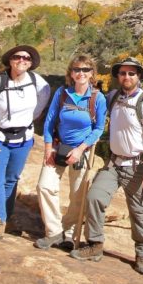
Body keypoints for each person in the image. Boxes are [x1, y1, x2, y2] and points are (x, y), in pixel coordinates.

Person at [71, 57, 143, 275]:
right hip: (114, 163)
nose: (127, 77)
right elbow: (96, 114)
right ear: (118, 76)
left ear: (139, 76)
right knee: (94, 197)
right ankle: (95, 244)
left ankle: (142, 254)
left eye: (132, 73)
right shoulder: (113, 98)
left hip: (137, 167)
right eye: (123, 73)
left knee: (139, 212)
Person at [0, 45, 51, 241]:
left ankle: (7, 220)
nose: (22, 61)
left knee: (11, 179)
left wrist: (26, 121)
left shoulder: (37, 82)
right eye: (17, 57)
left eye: (26, 58)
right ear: (10, 60)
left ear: (31, 62)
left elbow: (42, 102)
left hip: (23, 139)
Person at [34, 54, 107, 250]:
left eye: (85, 70)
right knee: (44, 186)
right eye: (76, 69)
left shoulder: (96, 98)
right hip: (58, 146)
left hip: (80, 152)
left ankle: (68, 232)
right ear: (71, 73)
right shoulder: (62, 93)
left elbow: (99, 128)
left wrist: (80, 149)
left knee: (78, 196)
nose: (80, 73)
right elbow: (49, 122)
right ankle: (54, 232)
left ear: (92, 73)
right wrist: (48, 148)